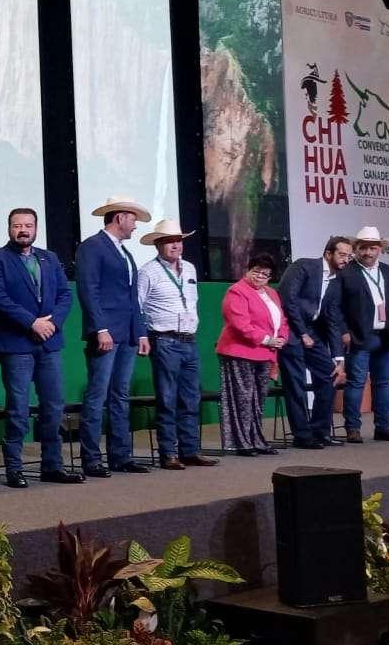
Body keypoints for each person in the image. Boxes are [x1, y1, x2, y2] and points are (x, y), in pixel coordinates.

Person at [0, 208, 84, 487]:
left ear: (36, 228)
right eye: (18, 225)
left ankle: (52, 466)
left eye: (28, 225)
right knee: (18, 408)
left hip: (50, 343)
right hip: (16, 344)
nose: (23, 230)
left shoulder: (49, 258)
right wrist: (32, 323)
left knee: (54, 406)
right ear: (9, 229)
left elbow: (65, 295)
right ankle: (14, 469)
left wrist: (52, 323)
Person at [75, 196, 152, 476]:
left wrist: (140, 332)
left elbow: (132, 298)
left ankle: (121, 456)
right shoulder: (92, 247)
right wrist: (100, 329)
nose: (135, 226)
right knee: (97, 395)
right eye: (133, 219)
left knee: (120, 395)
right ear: (119, 218)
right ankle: (91, 458)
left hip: (127, 335)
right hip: (106, 334)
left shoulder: (125, 253)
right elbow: (88, 289)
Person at [135, 219, 217, 470]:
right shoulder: (148, 271)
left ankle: (190, 450)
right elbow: (137, 306)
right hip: (165, 340)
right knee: (167, 399)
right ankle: (168, 452)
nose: (175, 245)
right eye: (169, 241)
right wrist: (142, 335)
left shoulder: (190, 268)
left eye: (178, 240)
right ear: (158, 244)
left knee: (191, 399)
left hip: (189, 340)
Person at [338, 226, 389, 442]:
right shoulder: (346, 273)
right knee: (356, 383)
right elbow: (335, 307)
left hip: (388, 337)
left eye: (372, 248)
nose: (368, 253)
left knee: (383, 384)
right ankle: (353, 429)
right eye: (363, 248)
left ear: (380, 249)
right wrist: (344, 332)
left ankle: (383, 427)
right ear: (356, 249)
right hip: (359, 338)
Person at [278, 236, 351, 450]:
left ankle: (320, 432)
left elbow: (332, 318)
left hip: (311, 333)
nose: (346, 259)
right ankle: (302, 435)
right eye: (342, 254)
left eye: (349, 256)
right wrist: (302, 333)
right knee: (296, 384)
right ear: (328, 254)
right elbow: (288, 301)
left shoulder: (337, 279)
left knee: (330, 375)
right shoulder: (304, 267)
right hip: (290, 332)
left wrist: (339, 359)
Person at [214, 254, 287, 456]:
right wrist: (267, 340)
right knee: (243, 399)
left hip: (265, 354)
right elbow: (241, 325)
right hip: (240, 352)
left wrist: (282, 337)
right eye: (256, 271)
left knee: (258, 399)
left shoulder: (272, 293)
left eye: (265, 274)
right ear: (248, 270)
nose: (259, 276)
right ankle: (242, 442)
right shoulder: (237, 291)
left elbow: (282, 320)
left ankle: (257, 440)